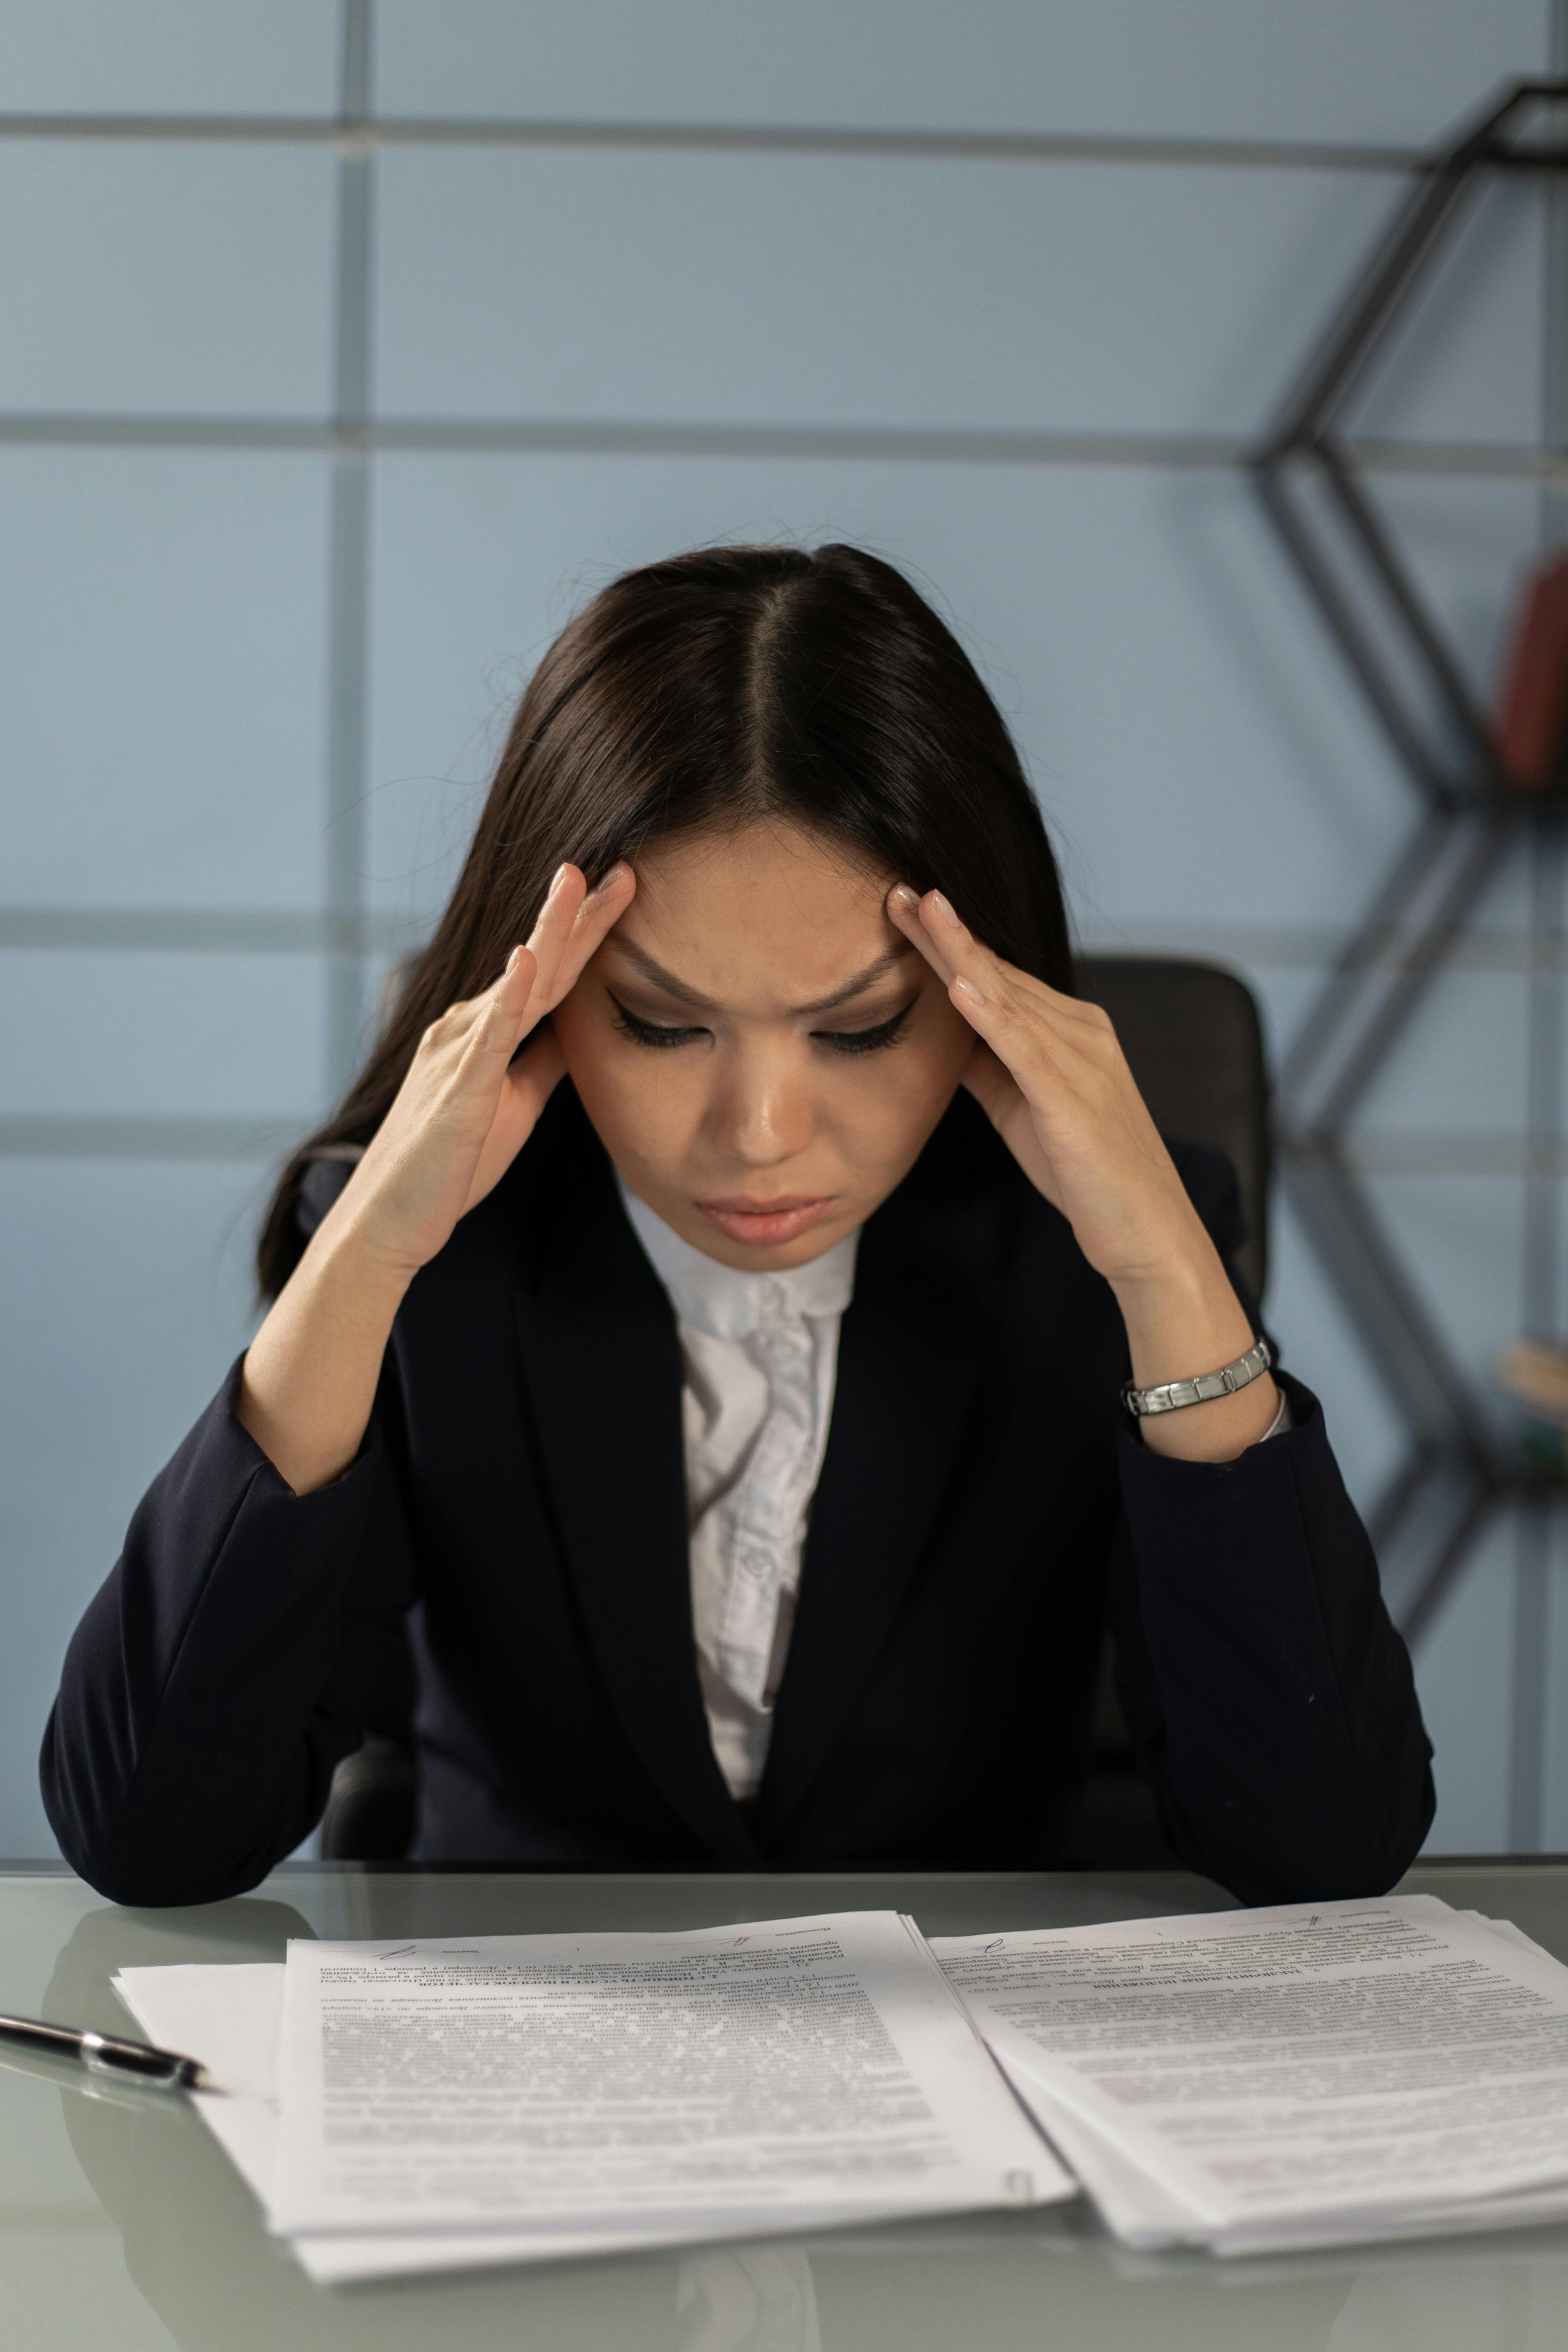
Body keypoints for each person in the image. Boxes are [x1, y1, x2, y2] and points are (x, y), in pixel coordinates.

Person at [42, 543, 1433, 1906]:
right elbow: (152, 1838)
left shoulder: (1106, 1249)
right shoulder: (440, 1250)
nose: (760, 1133)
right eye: (659, 1022)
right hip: (517, 2047)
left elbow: (1322, 1849)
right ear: (546, 996)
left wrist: (1162, 1267)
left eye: (862, 1025)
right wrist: (364, 1256)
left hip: (973, 2049)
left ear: (977, 989)